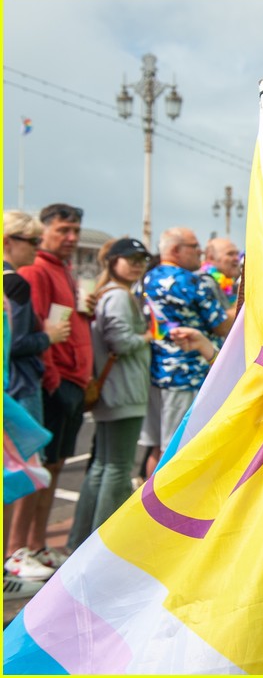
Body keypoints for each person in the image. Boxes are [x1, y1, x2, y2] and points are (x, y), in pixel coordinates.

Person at [7, 203, 92, 575]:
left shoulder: (61, 271)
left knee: (48, 468)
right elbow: (26, 336)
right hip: (41, 383)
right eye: (62, 231)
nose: (70, 238)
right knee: (29, 470)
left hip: (59, 381)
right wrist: (54, 377)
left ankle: (35, 544)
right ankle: (17, 549)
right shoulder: (31, 273)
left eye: (75, 231)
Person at [68, 237, 153, 549]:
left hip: (111, 391)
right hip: (124, 392)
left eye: (142, 259)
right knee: (116, 469)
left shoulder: (103, 294)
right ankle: (100, 547)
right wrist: (145, 337)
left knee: (102, 467)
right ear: (113, 261)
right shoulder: (118, 297)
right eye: (130, 258)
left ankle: (82, 541)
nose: (137, 264)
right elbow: (121, 341)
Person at [3, 210, 69, 591]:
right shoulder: (16, 284)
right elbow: (17, 345)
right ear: (10, 240)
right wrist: (48, 336)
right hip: (19, 390)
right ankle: (16, 552)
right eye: (32, 241)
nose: (38, 248)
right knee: (24, 472)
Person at [139, 227, 231, 482]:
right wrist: (244, 305)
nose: (200, 252)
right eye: (194, 246)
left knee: (157, 449)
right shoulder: (189, 281)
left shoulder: (148, 278)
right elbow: (222, 325)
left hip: (157, 372)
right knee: (179, 450)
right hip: (188, 373)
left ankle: (146, 511)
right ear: (176, 250)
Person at [199, 237, 241, 309]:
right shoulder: (203, 283)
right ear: (211, 258)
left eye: (237, 254)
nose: (237, 258)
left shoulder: (231, 282)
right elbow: (223, 319)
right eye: (230, 254)